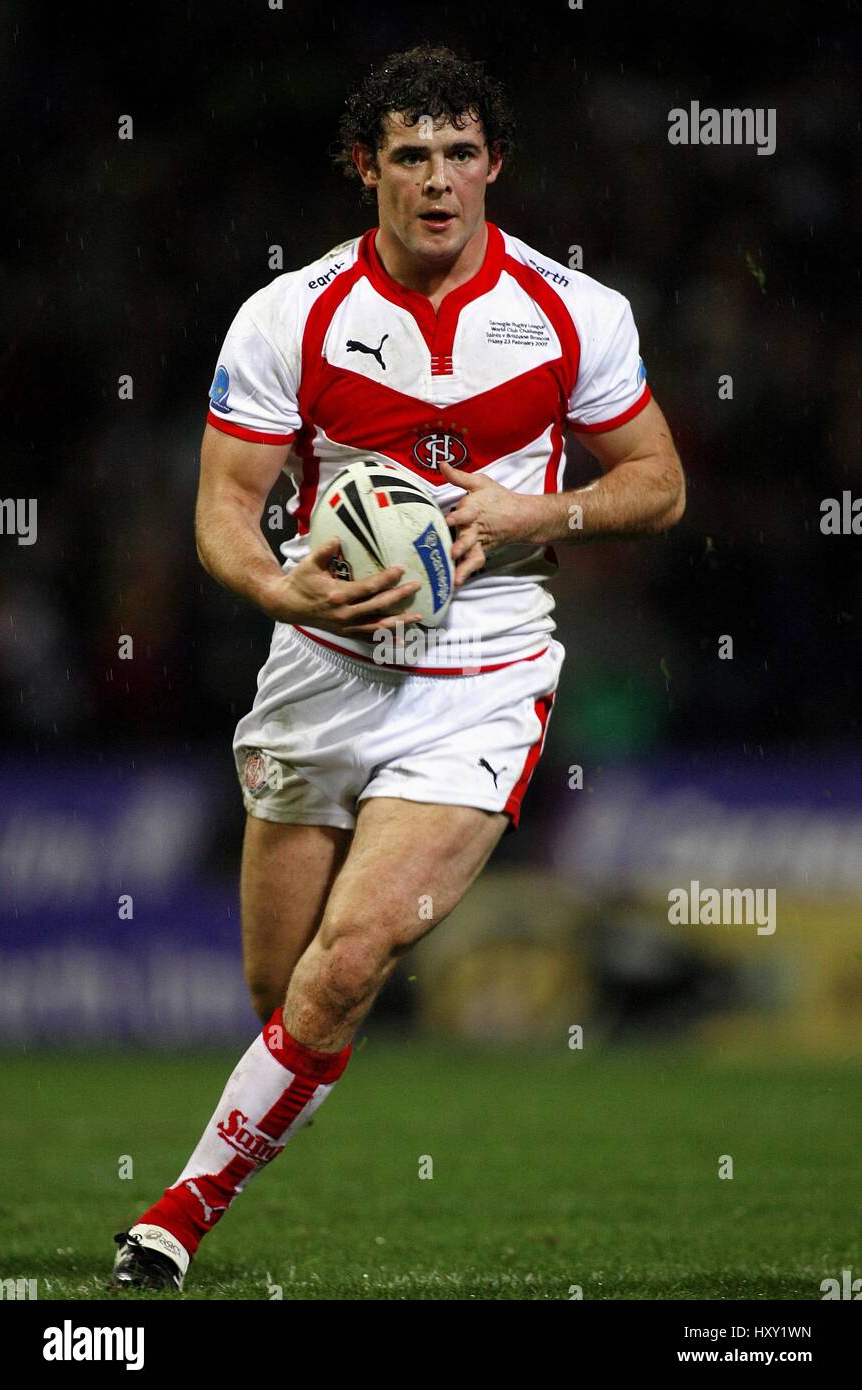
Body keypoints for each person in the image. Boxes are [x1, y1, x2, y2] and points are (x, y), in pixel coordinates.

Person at [112, 42, 684, 1290]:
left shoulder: (572, 312)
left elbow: (657, 483)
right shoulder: (291, 314)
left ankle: (175, 1216)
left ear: (494, 165)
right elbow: (224, 506)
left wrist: (535, 515)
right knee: (287, 987)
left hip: (481, 663)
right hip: (319, 662)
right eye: (411, 156)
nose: (439, 181)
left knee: (356, 952)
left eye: (461, 154)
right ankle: (281, 1087)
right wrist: (278, 582)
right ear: (365, 167)